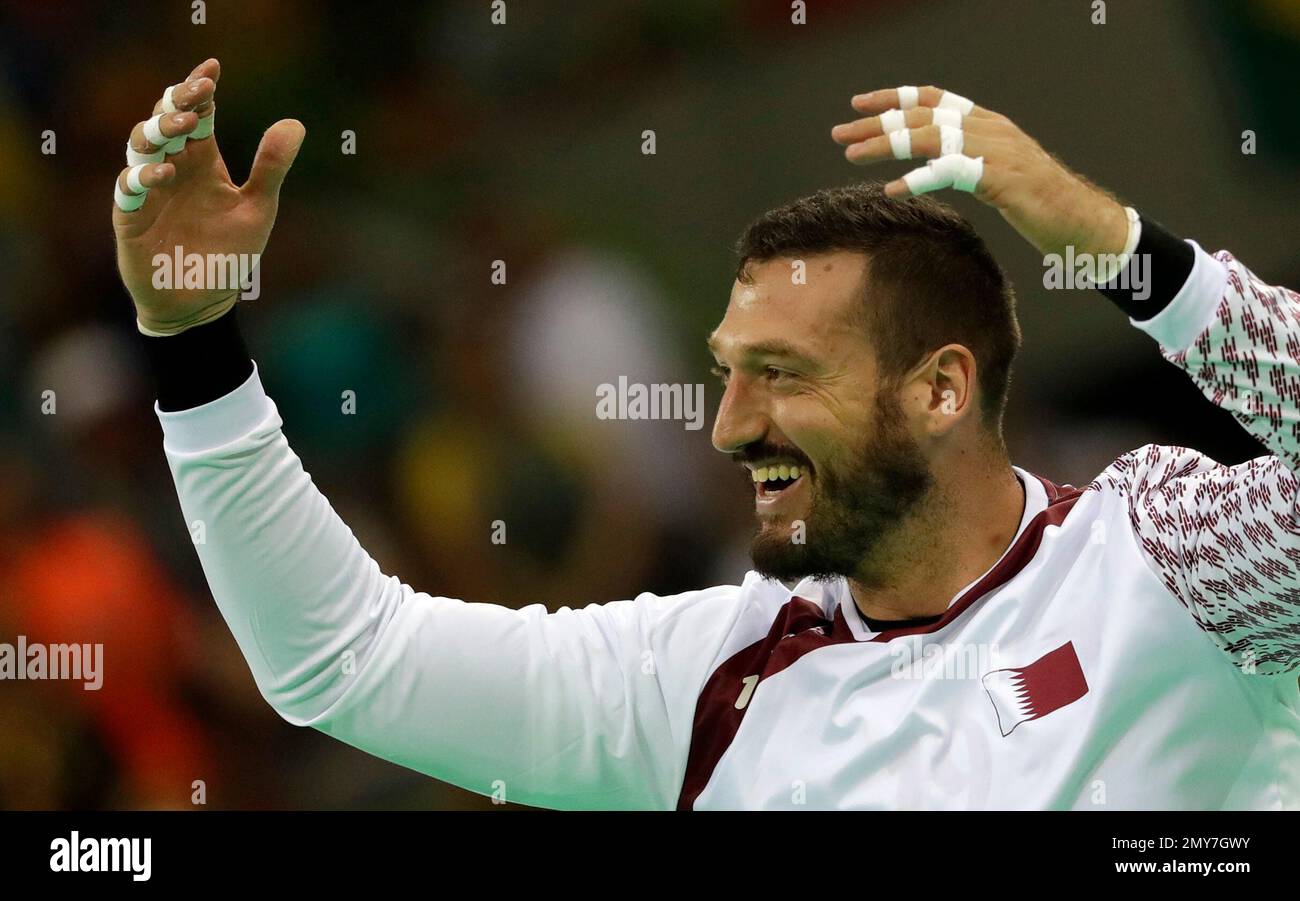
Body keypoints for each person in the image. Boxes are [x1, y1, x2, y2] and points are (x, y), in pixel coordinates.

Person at [112, 61, 1300, 809]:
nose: (730, 426)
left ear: (939, 391)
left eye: (780, 376)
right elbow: (345, 661)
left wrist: (1114, 243)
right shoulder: (706, 682)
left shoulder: (1167, 557)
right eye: (727, 373)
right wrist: (193, 339)